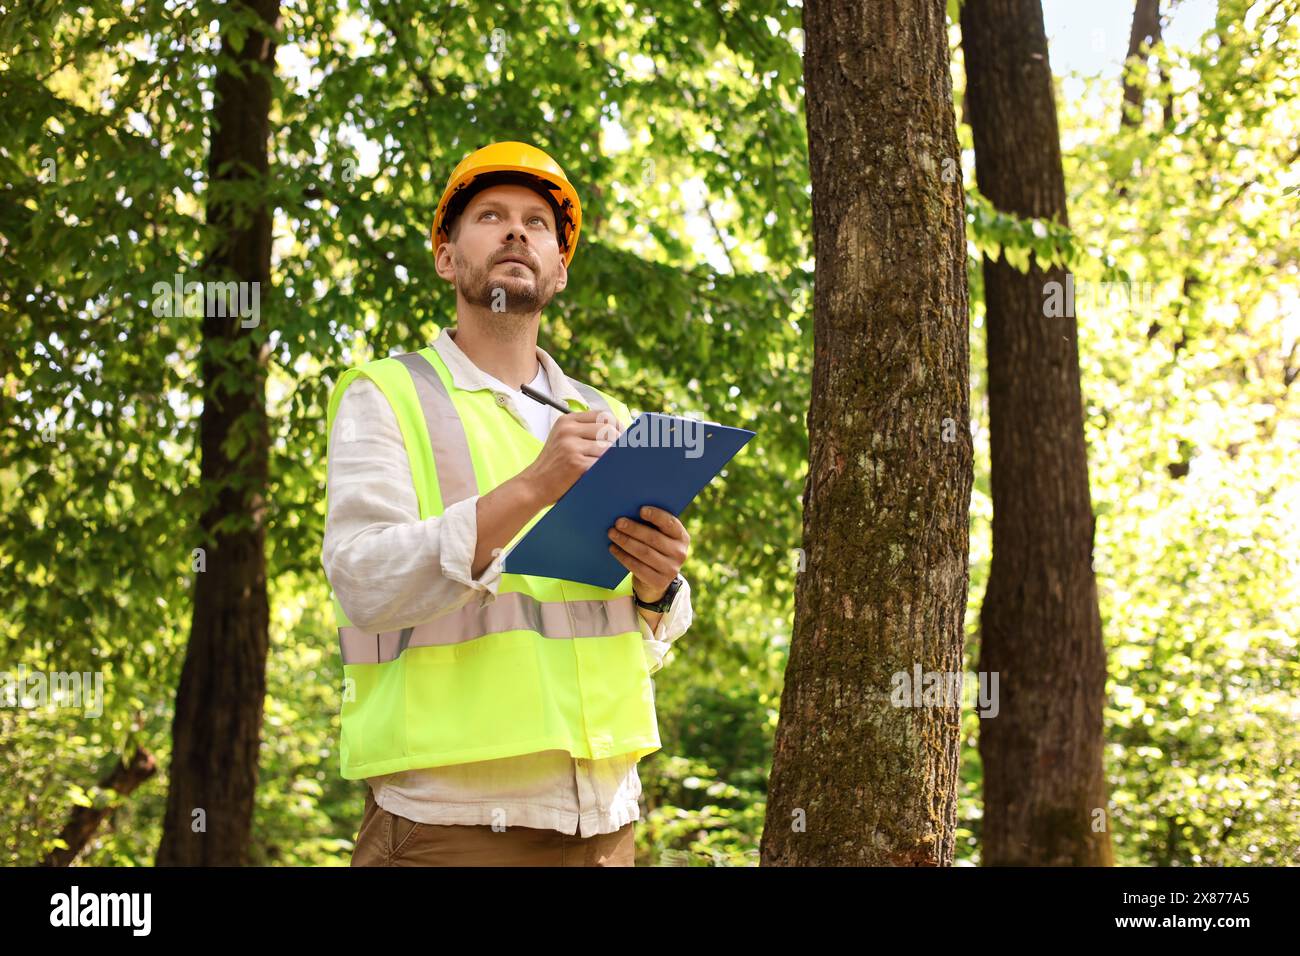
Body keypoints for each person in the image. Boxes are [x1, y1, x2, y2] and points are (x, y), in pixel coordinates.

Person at [321, 141, 693, 866]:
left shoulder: (606, 414)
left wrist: (660, 584)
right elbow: (362, 583)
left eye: (537, 223)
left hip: (605, 821)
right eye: (490, 216)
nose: (517, 231)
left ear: (559, 268)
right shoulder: (388, 395)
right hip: (449, 821)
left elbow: (645, 631)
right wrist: (532, 488)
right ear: (447, 258)